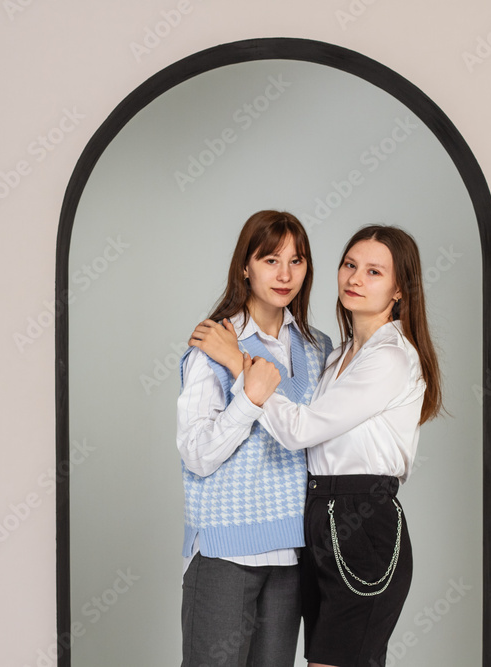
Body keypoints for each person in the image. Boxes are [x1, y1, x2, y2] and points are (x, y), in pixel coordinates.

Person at [190, 224, 443, 667]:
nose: (355, 279)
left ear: (399, 288)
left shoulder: (389, 357)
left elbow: (299, 431)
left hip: (362, 519)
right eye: (349, 265)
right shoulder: (335, 354)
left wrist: (237, 364)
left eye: (374, 272)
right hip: (316, 523)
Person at [176, 210, 333, 667]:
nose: (285, 274)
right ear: (245, 266)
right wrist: (249, 397)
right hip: (225, 550)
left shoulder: (317, 346)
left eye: (297, 260)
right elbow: (197, 455)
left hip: (292, 553)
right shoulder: (214, 342)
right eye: (270, 259)